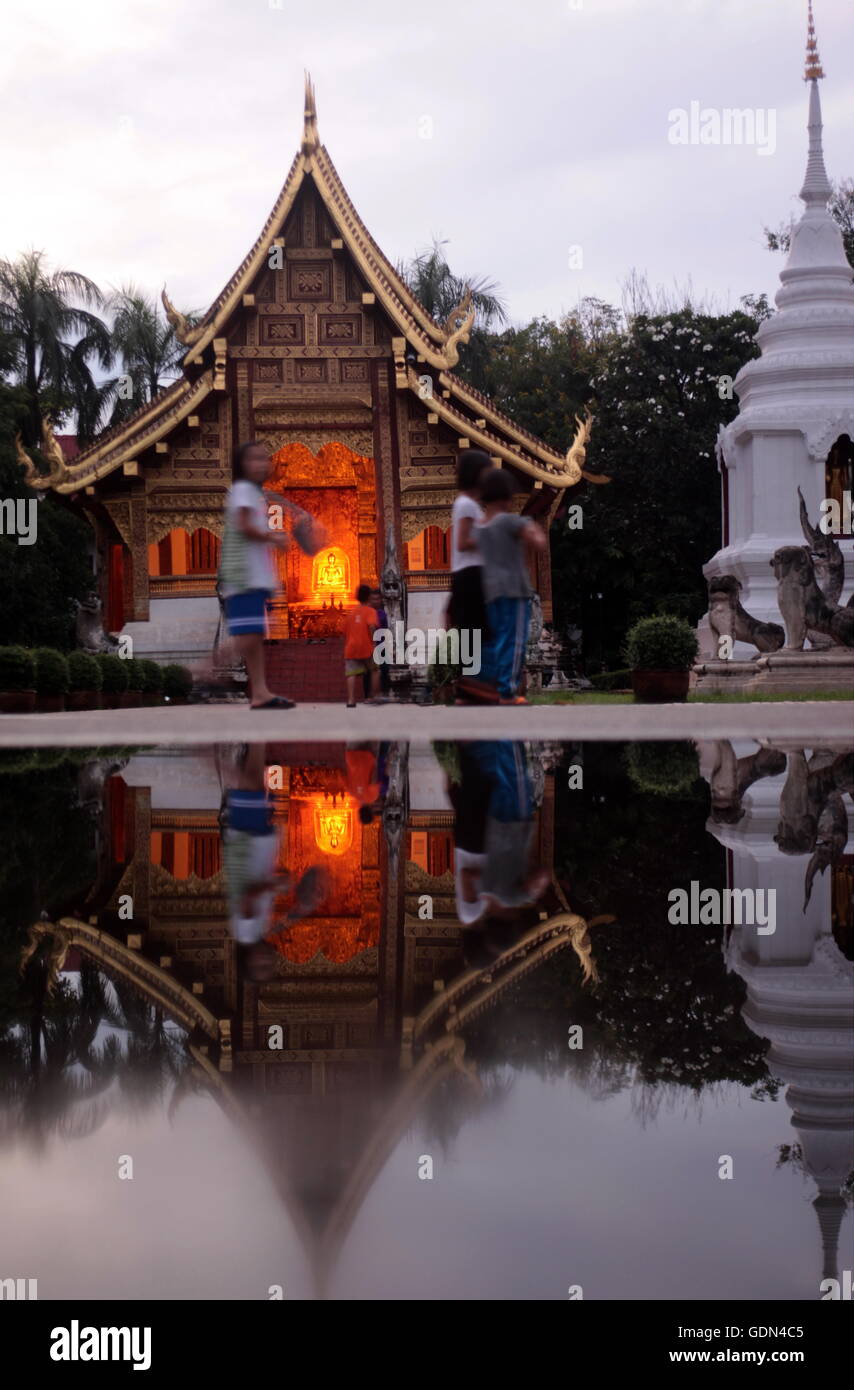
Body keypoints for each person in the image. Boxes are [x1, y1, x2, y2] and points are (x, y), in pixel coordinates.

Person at [217, 441, 294, 710]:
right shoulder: (242, 490)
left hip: (256, 578)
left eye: (265, 458)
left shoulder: (255, 494)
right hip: (243, 577)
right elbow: (244, 525)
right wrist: (275, 537)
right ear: (242, 464)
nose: (262, 463)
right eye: (255, 459)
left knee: (256, 637)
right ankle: (204, 669)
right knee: (248, 637)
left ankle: (260, 691)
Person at [476, 468, 547, 704]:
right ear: (508, 497)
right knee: (515, 640)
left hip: (489, 592)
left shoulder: (479, 527)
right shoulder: (509, 520)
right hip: (513, 591)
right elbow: (538, 542)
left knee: (496, 642)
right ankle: (506, 691)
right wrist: (532, 526)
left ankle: (492, 688)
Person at [343, 583, 379, 707]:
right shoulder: (371, 611)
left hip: (351, 647)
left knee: (351, 673)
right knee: (374, 670)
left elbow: (345, 631)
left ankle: (351, 700)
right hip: (366, 646)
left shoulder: (350, 613)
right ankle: (372, 697)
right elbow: (372, 626)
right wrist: (374, 643)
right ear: (369, 597)